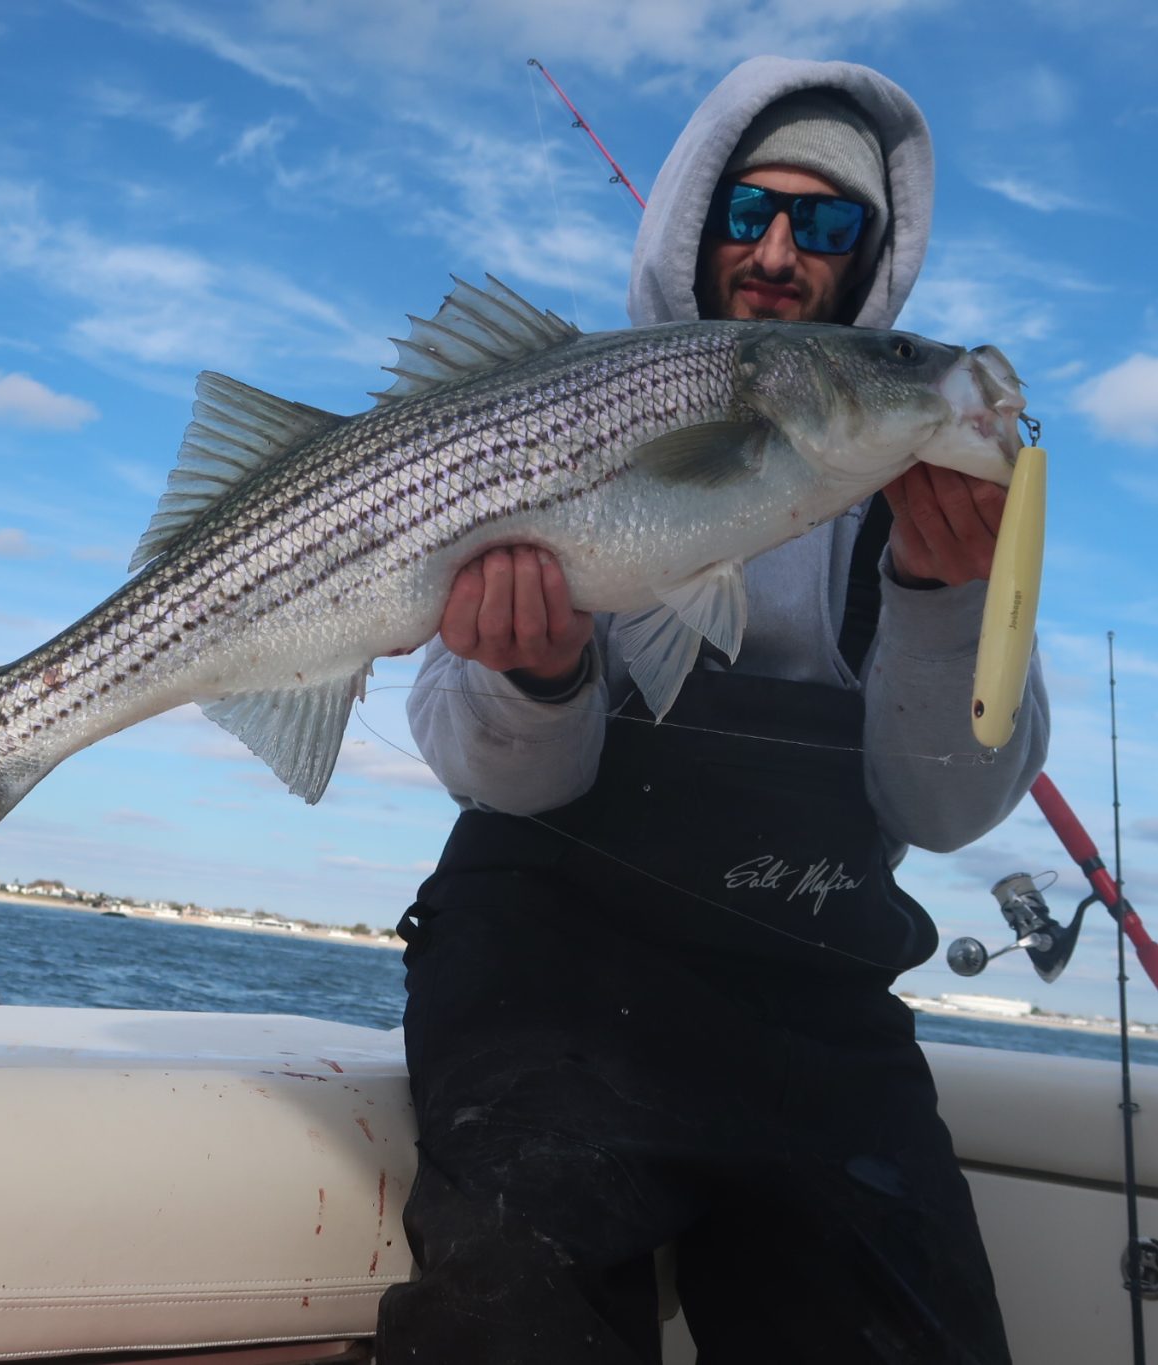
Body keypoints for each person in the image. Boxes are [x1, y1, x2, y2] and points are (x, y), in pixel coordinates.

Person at [375, 56, 1048, 1364]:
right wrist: (537, 671)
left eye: (830, 223)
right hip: (546, 991)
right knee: (506, 1316)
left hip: (811, 1018)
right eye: (751, 212)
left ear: (870, 264)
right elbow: (492, 775)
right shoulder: (553, 417)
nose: (783, 250)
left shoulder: (934, 506)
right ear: (699, 221)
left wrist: (944, 598)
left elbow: (947, 807)